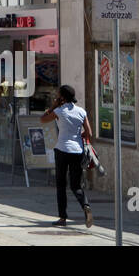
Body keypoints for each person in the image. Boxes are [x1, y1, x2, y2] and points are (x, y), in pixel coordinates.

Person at [41, 84, 95, 228]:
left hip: (62, 149)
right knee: (76, 185)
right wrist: (78, 137)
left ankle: (62, 217)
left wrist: (53, 106)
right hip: (77, 151)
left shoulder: (59, 111)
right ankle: (85, 205)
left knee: (61, 185)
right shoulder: (81, 111)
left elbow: (43, 119)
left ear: (62, 97)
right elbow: (89, 133)